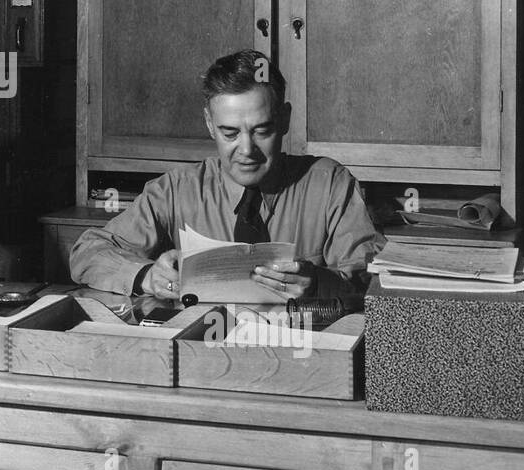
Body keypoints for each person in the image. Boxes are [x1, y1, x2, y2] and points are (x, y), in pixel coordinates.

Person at [69, 49, 379, 300]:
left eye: (262, 130)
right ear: (208, 124)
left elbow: (374, 281)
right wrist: (145, 276)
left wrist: (320, 284)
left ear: (284, 120)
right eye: (229, 133)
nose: (246, 149)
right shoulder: (176, 190)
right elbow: (87, 251)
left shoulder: (330, 185)